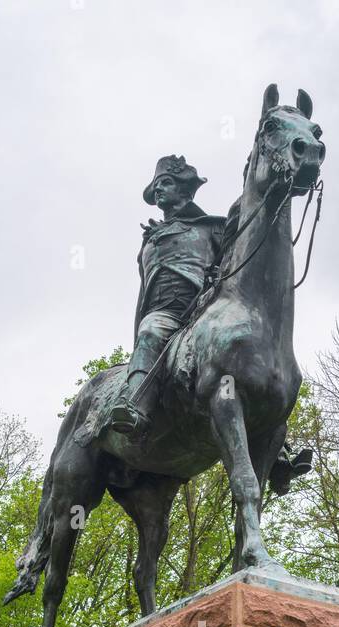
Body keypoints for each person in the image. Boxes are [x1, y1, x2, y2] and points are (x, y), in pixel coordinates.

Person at [108, 156, 226, 437]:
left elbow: (233, 263)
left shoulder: (211, 227)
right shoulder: (149, 238)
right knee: (149, 331)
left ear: (184, 190)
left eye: (166, 183)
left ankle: (278, 447)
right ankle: (135, 405)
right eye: (156, 185)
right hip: (165, 314)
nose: (159, 189)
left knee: (241, 349)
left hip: (205, 309)